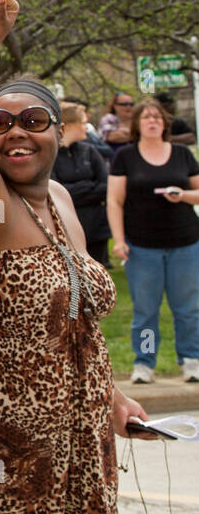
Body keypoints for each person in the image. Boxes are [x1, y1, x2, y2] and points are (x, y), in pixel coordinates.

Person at [0, 0, 152, 514]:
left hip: (82, 427)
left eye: (33, 120)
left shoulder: (59, 199)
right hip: (6, 444)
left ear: (60, 131)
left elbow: (77, 323)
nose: (15, 131)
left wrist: (114, 397)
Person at [107, 97, 199, 384]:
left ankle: (191, 360)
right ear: (137, 124)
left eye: (157, 118)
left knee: (187, 308)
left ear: (165, 123)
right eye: (146, 117)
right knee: (145, 311)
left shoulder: (182, 154)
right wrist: (119, 241)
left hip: (185, 242)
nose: (152, 122)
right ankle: (144, 363)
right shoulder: (125, 157)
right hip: (141, 245)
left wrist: (181, 195)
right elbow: (114, 200)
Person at [52, 101, 112, 269]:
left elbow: (106, 186)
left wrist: (74, 189)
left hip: (97, 227)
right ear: (68, 126)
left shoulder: (90, 151)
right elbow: (54, 191)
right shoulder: (51, 155)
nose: (87, 127)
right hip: (67, 228)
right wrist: (89, 186)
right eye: (83, 123)